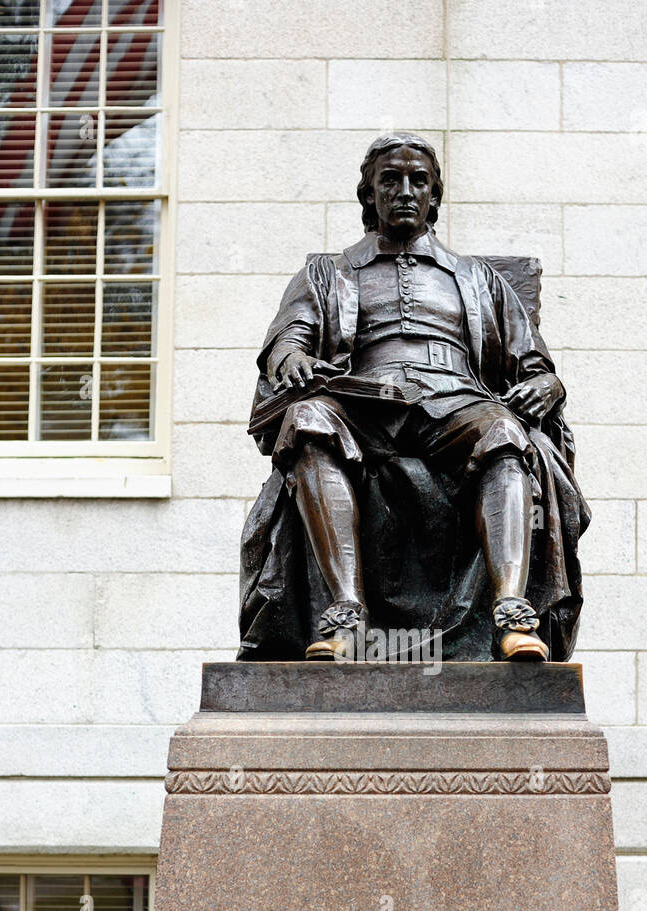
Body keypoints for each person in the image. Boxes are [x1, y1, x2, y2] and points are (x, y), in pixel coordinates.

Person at [238, 132, 590, 663]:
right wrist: (293, 359)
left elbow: (535, 366)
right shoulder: (327, 273)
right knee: (308, 419)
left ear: (434, 197)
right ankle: (345, 613)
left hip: (455, 401)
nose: (405, 191)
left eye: (418, 181)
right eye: (390, 180)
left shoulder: (478, 279)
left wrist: (549, 384)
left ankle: (513, 616)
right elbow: (288, 341)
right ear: (369, 195)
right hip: (361, 402)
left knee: (505, 432)